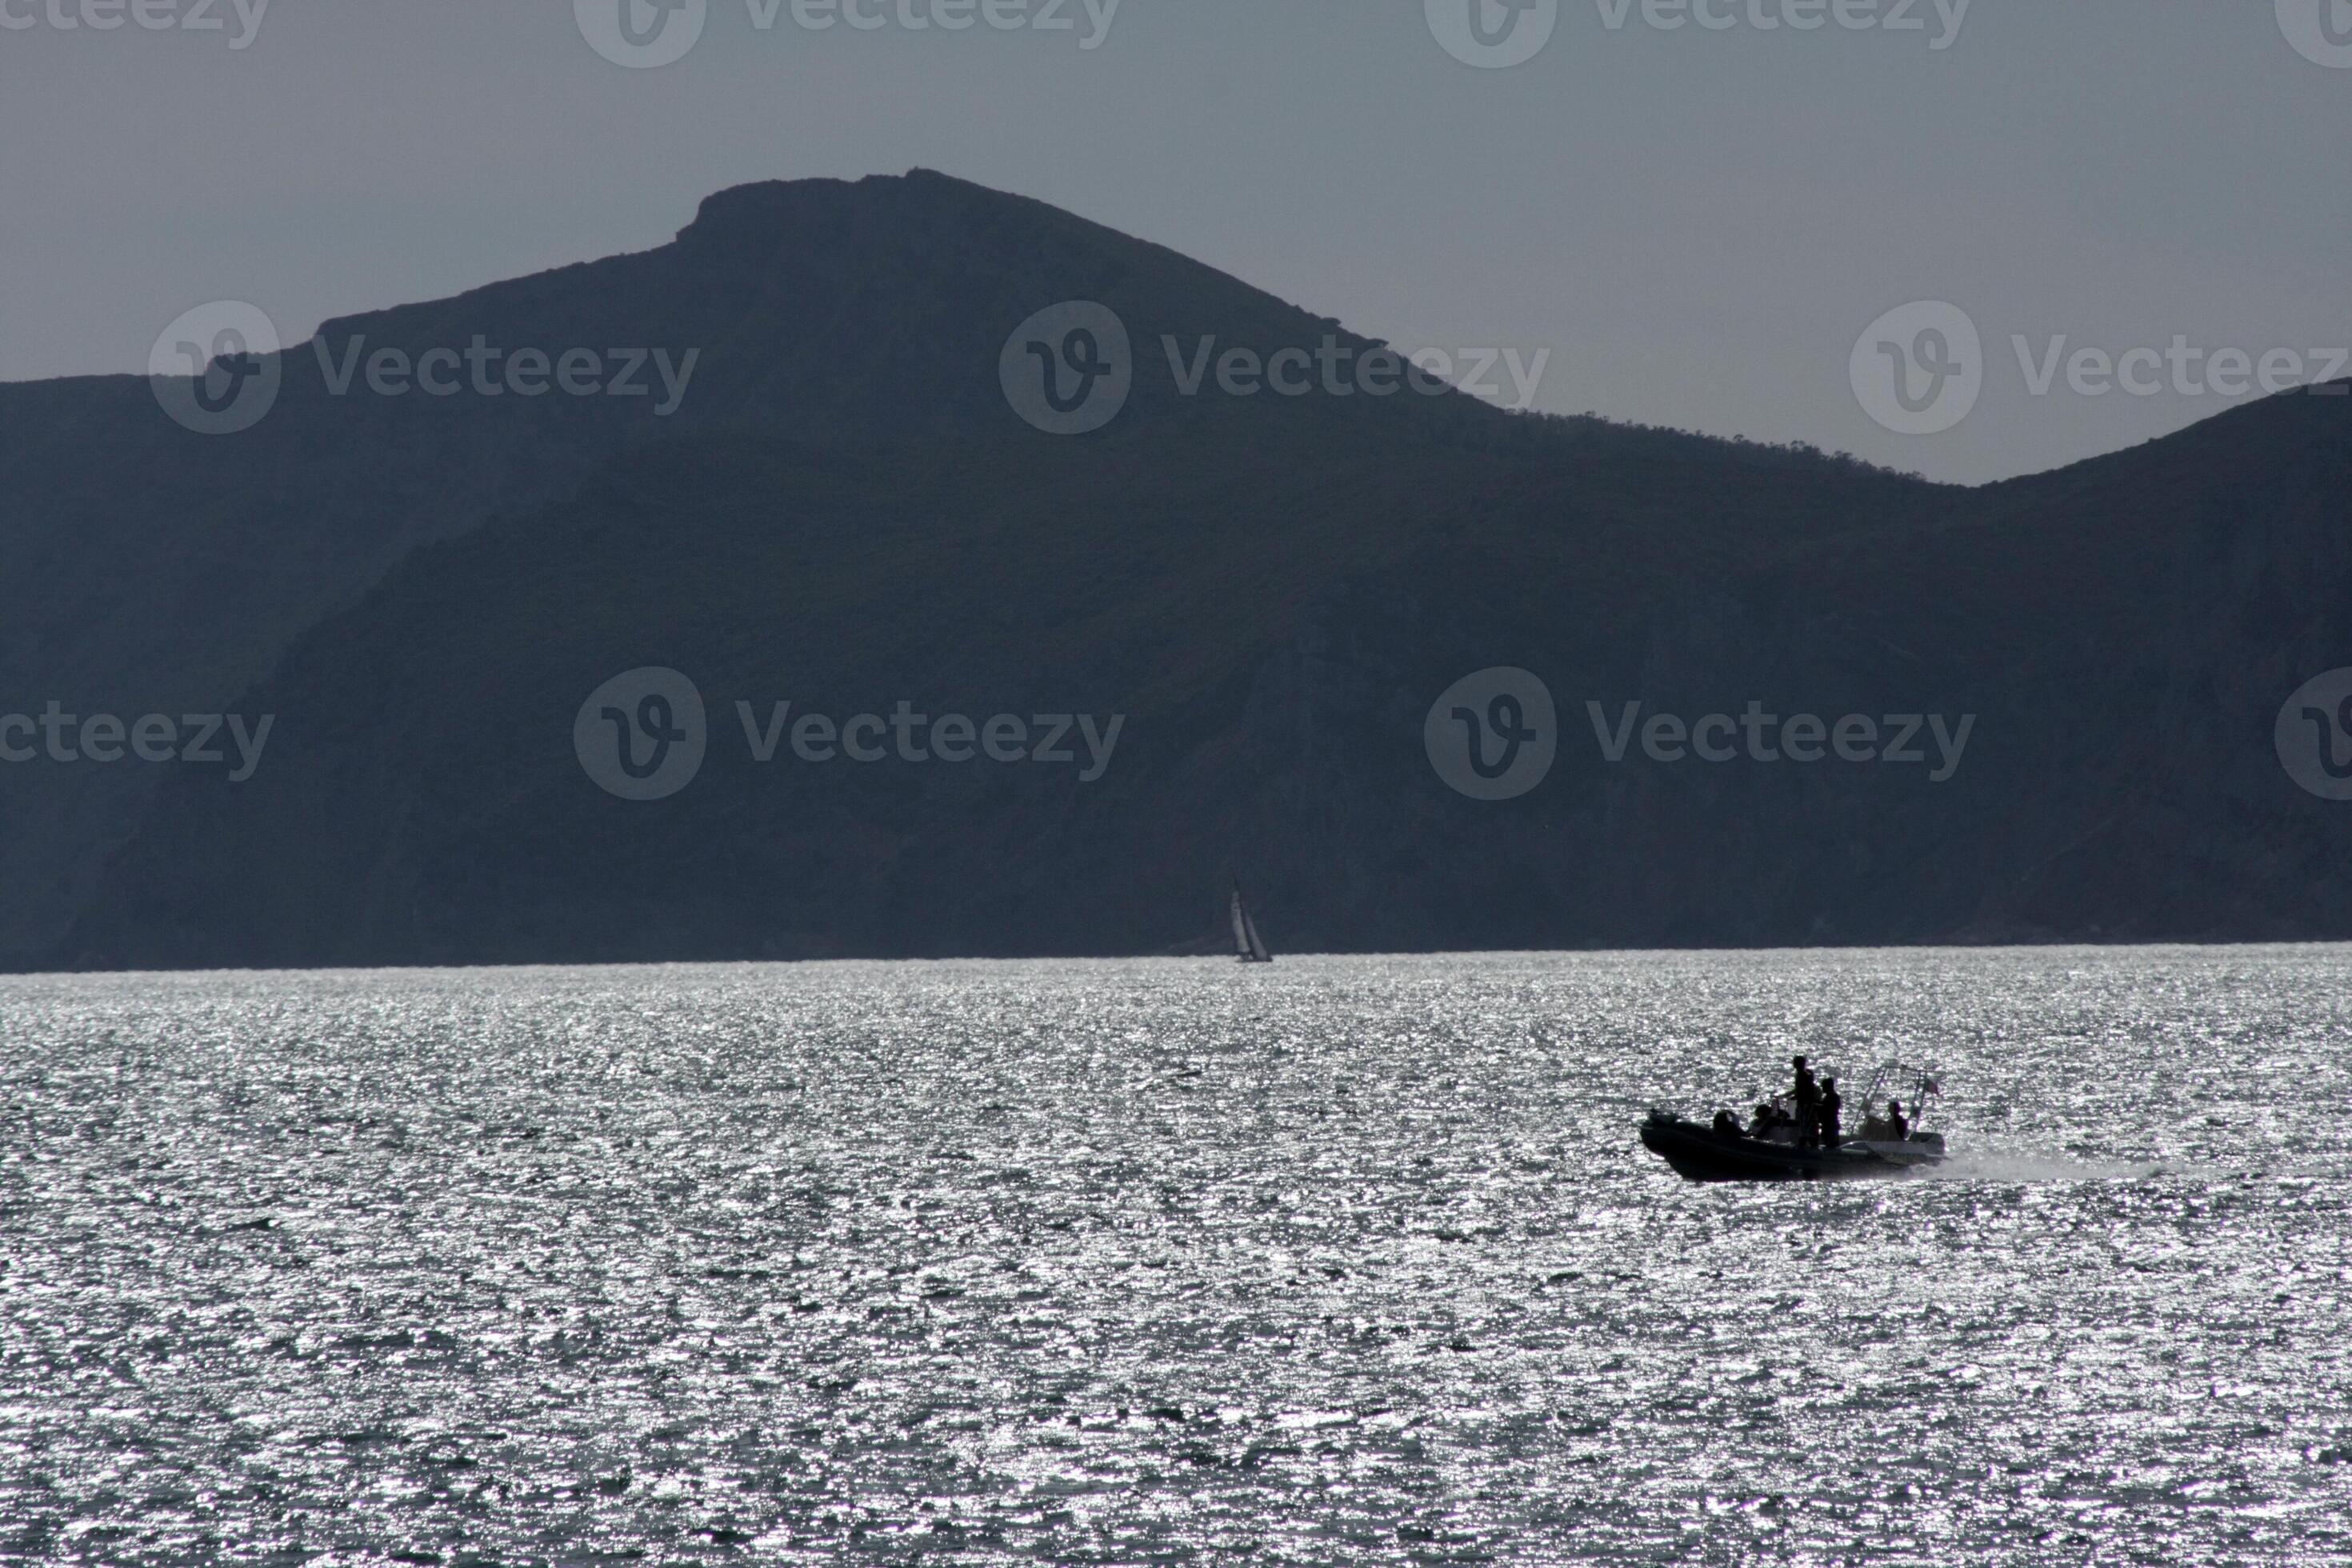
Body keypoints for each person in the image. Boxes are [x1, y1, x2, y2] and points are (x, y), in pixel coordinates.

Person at [1791, 1056, 1820, 1146]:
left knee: (1806, 1126)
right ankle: (1802, 1143)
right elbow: (1798, 1089)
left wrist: (1798, 1096)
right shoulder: (1800, 1074)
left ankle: (1805, 1144)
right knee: (1802, 1125)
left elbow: (1805, 1089)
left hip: (1806, 1104)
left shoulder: (1806, 1075)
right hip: (1801, 1103)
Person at [1818, 1077, 1843, 1148]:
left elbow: (1830, 1110)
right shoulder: (1830, 1097)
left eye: (1823, 1086)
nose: (1822, 1088)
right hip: (1829, 1123)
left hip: (1830, 1124)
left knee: (1831, 1143)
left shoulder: (1833, 1097)